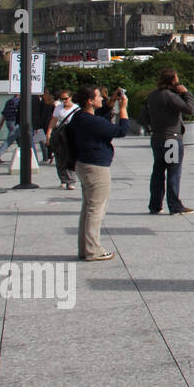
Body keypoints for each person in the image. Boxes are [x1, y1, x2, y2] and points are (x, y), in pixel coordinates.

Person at [71, 83, 129, 261]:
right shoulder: (90, 121)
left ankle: (85, 248)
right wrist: (123, 109)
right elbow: (121, 131)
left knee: (88, 208)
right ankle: (93, 250)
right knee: (95, 209)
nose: (102, 98)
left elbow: (100, 120)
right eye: (98, 97)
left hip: (84, 164)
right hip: (96, 167)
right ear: (90, 100)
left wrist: (111, 103)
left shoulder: (79, 116)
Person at [142, 68, 194, 214]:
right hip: (171, 140)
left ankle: (155, 205)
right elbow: (190, 109)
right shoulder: (169, 96)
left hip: (157, 138)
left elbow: (144, 115)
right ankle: (174, 205)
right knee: (173, 172)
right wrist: (186, 93)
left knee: (158, 172)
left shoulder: (153, 95)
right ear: (172, 80)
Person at [46, 90, 80, 189]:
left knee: (70, 158)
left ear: (71, 97)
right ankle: (64, 179)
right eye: (62, 99)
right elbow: (53, 121)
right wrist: (49, 134)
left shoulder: (77, 109)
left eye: (66, 98)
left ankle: (71, 181)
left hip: (71, 135)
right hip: (59, 135)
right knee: (59, 158)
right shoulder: (58, 108)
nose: (64, 101)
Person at [0, 94, 20, 160]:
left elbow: (4, 114)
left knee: (20, 141)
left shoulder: (9, 101)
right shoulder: (19, 101)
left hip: (8, 122)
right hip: (15, 122)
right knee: (9, 140)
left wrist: (0, 124)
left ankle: (24, 156)